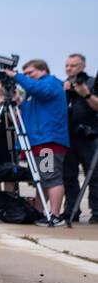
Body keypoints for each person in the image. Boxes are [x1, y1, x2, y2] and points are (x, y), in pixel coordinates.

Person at [10, 59, 69, 223]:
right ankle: (40, 211)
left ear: (43, 70)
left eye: (30, 73)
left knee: (50, 177)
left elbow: (41, 91)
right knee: (41, 178)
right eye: (26, 74)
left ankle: (55, 215)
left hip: (48, 140)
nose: (27, 77)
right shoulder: (34, 93)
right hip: (38, 140)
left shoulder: (50, 82)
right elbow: (27, 112)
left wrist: (17, 76)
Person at [62, 53, 98, 222]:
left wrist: (85, 94)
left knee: (94, 175)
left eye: (73, 65)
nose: (69, 68)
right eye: (67, 66)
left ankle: (96, 212)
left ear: (83, 66)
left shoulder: (91, 83)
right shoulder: (64, 85)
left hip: (89, 136)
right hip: (68, 136)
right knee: (68, 176)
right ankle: (71, 211)